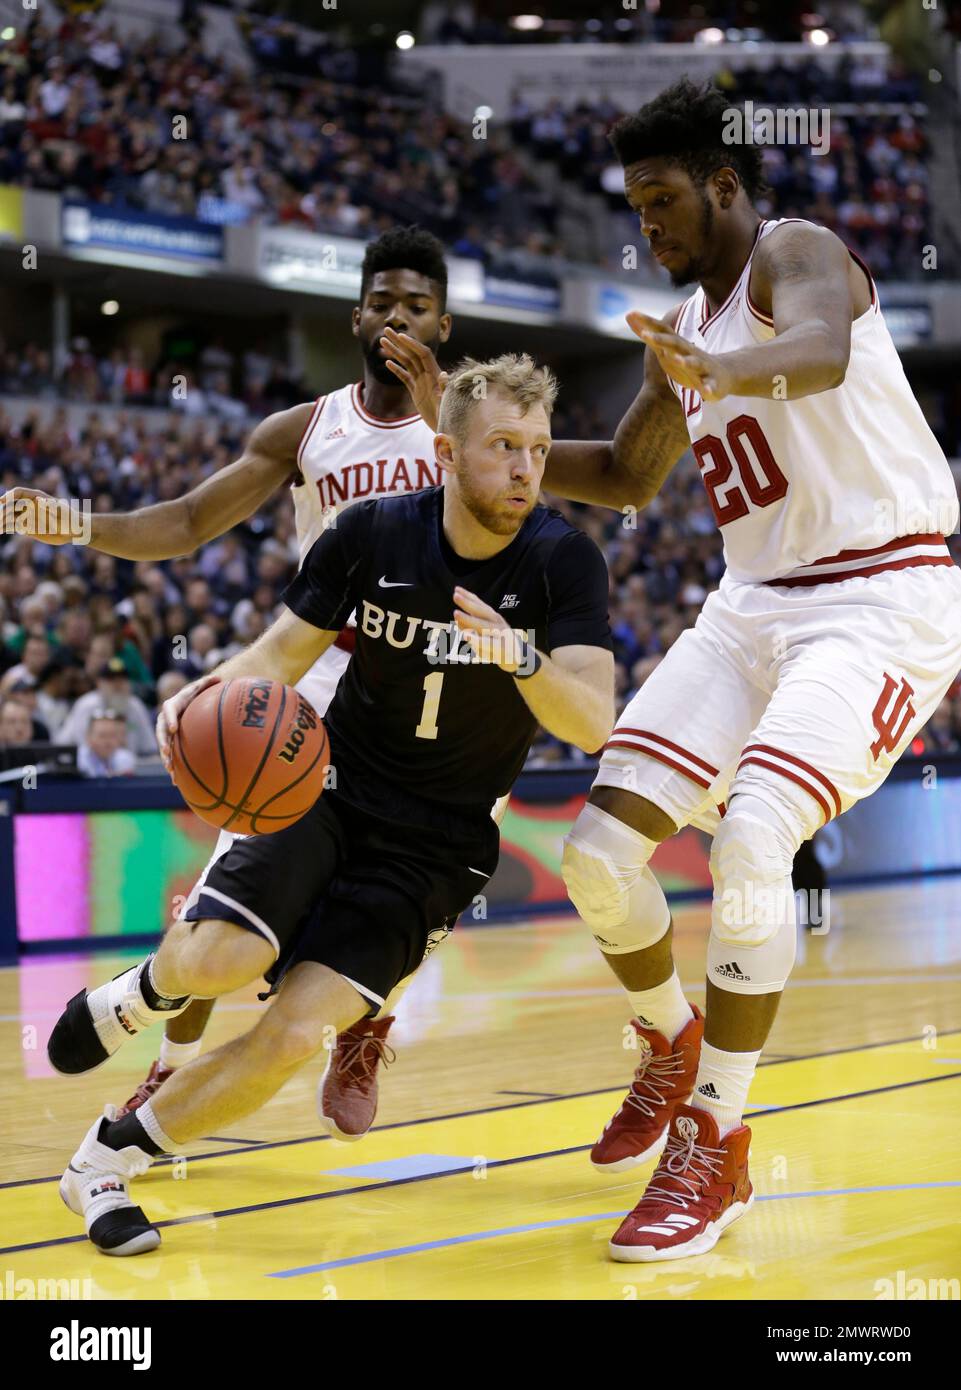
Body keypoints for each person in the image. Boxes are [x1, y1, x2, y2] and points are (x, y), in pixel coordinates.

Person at [385, 77, 961, 1265]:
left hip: (880, 596)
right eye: (633, 207)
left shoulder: (796, 257)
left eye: (662, 202)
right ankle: (668, 1041)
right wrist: (484, 443)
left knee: (753, 836)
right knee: (597, 854)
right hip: (753, 604)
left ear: (725, 186)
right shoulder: (681, 337)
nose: (646, 228)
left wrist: (721, 374)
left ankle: (719, 1140)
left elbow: (811, 350)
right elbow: (631, 476)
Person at [48, 353, 615, 1256]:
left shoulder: (563, 562)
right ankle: (144, 990)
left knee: (293, 1034)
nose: (524, 469)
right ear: (444, 451)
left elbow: (592, 722)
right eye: (502, 446)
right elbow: (278, 655)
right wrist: (197, 697)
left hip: (436, 847)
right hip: (331, 786)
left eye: (538, 450)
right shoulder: (368, 535)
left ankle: (99, 1167)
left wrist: (522, 659)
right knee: (220, 957)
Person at [4, 226, 457, 1137]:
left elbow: (527, 530)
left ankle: (363, 1021)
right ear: (356, 314)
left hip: (439, 689)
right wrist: (79, 525)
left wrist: (449, 420)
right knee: (226, 899)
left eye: (416, 305)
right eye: (382, 301)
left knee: (406, 879)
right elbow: (182, 521)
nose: (396, 317)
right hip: (319, 682)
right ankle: (164, 1075)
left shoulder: (471, 424)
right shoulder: (303, 430)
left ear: (441, 325)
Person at [77, 710, 137, 778]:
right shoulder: (78, 761)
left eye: (112, 735)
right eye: (102, 736)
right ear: (88, 738)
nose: (108, 741)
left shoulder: (126, 758)